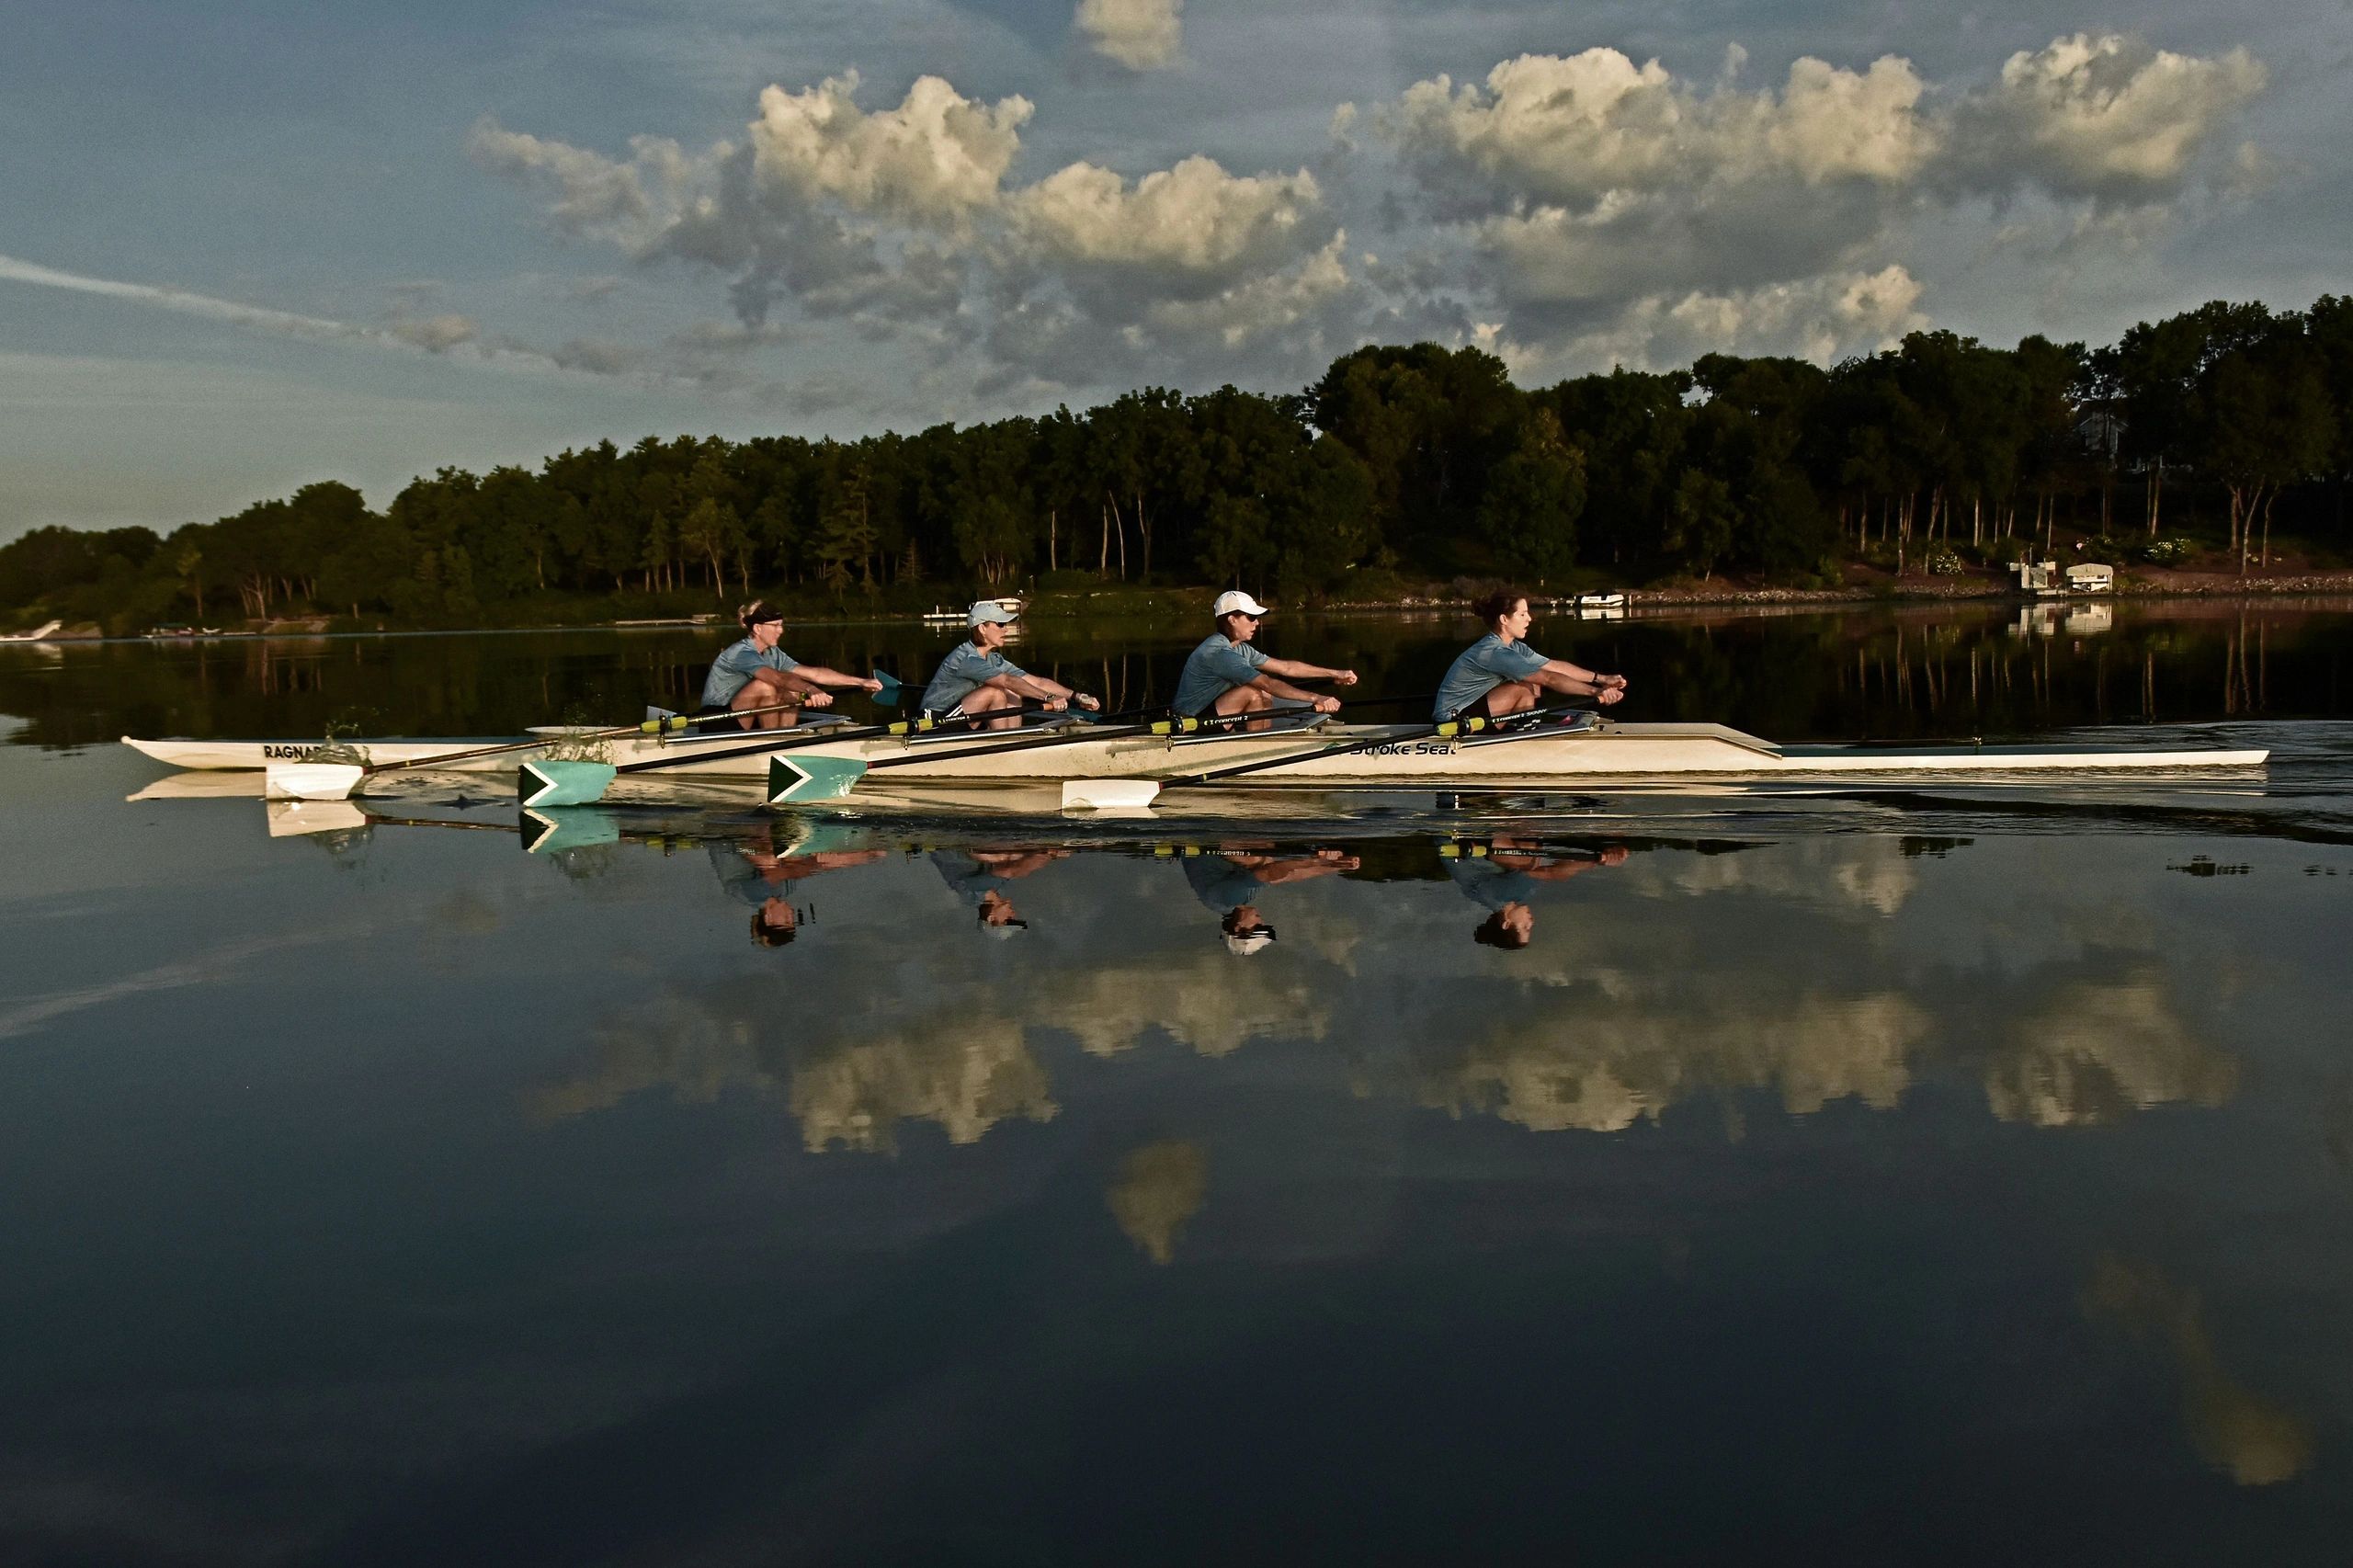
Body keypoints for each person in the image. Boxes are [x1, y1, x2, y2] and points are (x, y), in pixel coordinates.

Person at [1434, 588, 1628, 724]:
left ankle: (1525, 727)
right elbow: (1550, 678)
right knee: (1525, 688)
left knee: (1532, 683)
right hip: (1454, 719)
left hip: (1474, 711)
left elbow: (1554, 667)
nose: (1530, 619)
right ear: (1504, 619)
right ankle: (1523, 735)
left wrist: (1602, 679)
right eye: (1523, 614)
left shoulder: (1515, 647)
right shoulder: (1494, 652)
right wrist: (1595, 693)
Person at [1169, 590, 1358, 729]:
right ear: (1232, 620)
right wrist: (1316, 698)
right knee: (1253, 691)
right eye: (1251, 617)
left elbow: (1287, 668)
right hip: (1190, 723)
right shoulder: (1219, 653)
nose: (1257, 623)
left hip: (1211, 713)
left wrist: (1335, 673)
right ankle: (1256, 746)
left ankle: (1266, 739)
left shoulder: (1240, 648)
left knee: (1263, 694)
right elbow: (1267, 683)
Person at [699, 600, 881, 730]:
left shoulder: (773, 653)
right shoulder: (741, 653)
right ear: (758, 628)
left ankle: (786, 736)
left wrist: (861, 682)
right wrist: (811, 690)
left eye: (781, 625)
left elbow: (815, 674)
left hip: (744, 717)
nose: (781, 631)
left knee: (794, 688)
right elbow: (777, 678)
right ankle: (772, 741)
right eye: (776, 625)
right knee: (767, 686)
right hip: (716, 719)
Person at [919, 602, 1098, 730]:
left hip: (964, 717)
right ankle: (1002, 742)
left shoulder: (994, 659)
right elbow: (1007, 681)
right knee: (996, 691)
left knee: (1014, 690)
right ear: (982, 628)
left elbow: (1038, 682)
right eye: (1001, 624)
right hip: (935, 721)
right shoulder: (967, 659)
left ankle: (1012, 738)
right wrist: (1049, 698)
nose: (1006, 629)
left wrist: (1078, 696)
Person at [707, 824, 886, 946]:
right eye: (791, 920)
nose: (791, 914)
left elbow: (783, 872)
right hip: (753, 847)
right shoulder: (785, 891)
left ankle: (767, 816)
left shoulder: (750, 896)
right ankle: (870, 850)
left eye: (785, 920)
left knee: (772, 861)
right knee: (796, 857)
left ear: (768, 918)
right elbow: (802, 867)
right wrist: (859, 857)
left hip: (733, 843)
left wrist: (816, 863)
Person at [1179, 844, 1359, 956]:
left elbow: (1270, 871)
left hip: (1202, 843)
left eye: (1257, 927)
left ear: (1238, 927)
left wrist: (1313, 860)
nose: (1262, 921)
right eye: (1263, 927)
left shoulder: (1227, 899)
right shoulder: (1239, 901)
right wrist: (1335, 866)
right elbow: (1289, 876)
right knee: (1266, 864)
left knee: (1260, 860)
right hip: (1219, 848)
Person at [1449, 837, 1627, 950]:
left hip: (1454, 838)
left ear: (1506, 924)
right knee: (1546, 868)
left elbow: (1548, 872)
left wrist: (1597, 860)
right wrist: (1598, 859)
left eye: (1525, 927)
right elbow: (1558, 872)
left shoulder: (1495, 897)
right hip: (1490, 842)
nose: (1532, 922)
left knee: (1529, 862)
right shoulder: (1517, 897)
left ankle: (1519, 804)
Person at [930, 844, 1071, 933]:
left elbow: (1012, 870)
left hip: (949, 846)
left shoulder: (970, 894)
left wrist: (1049, 854)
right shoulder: (996, 891)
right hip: (969, 848)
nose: (1013, 915)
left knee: (1005, 858)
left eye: (1007, 921)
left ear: (991, 918)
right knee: (1011, 857)